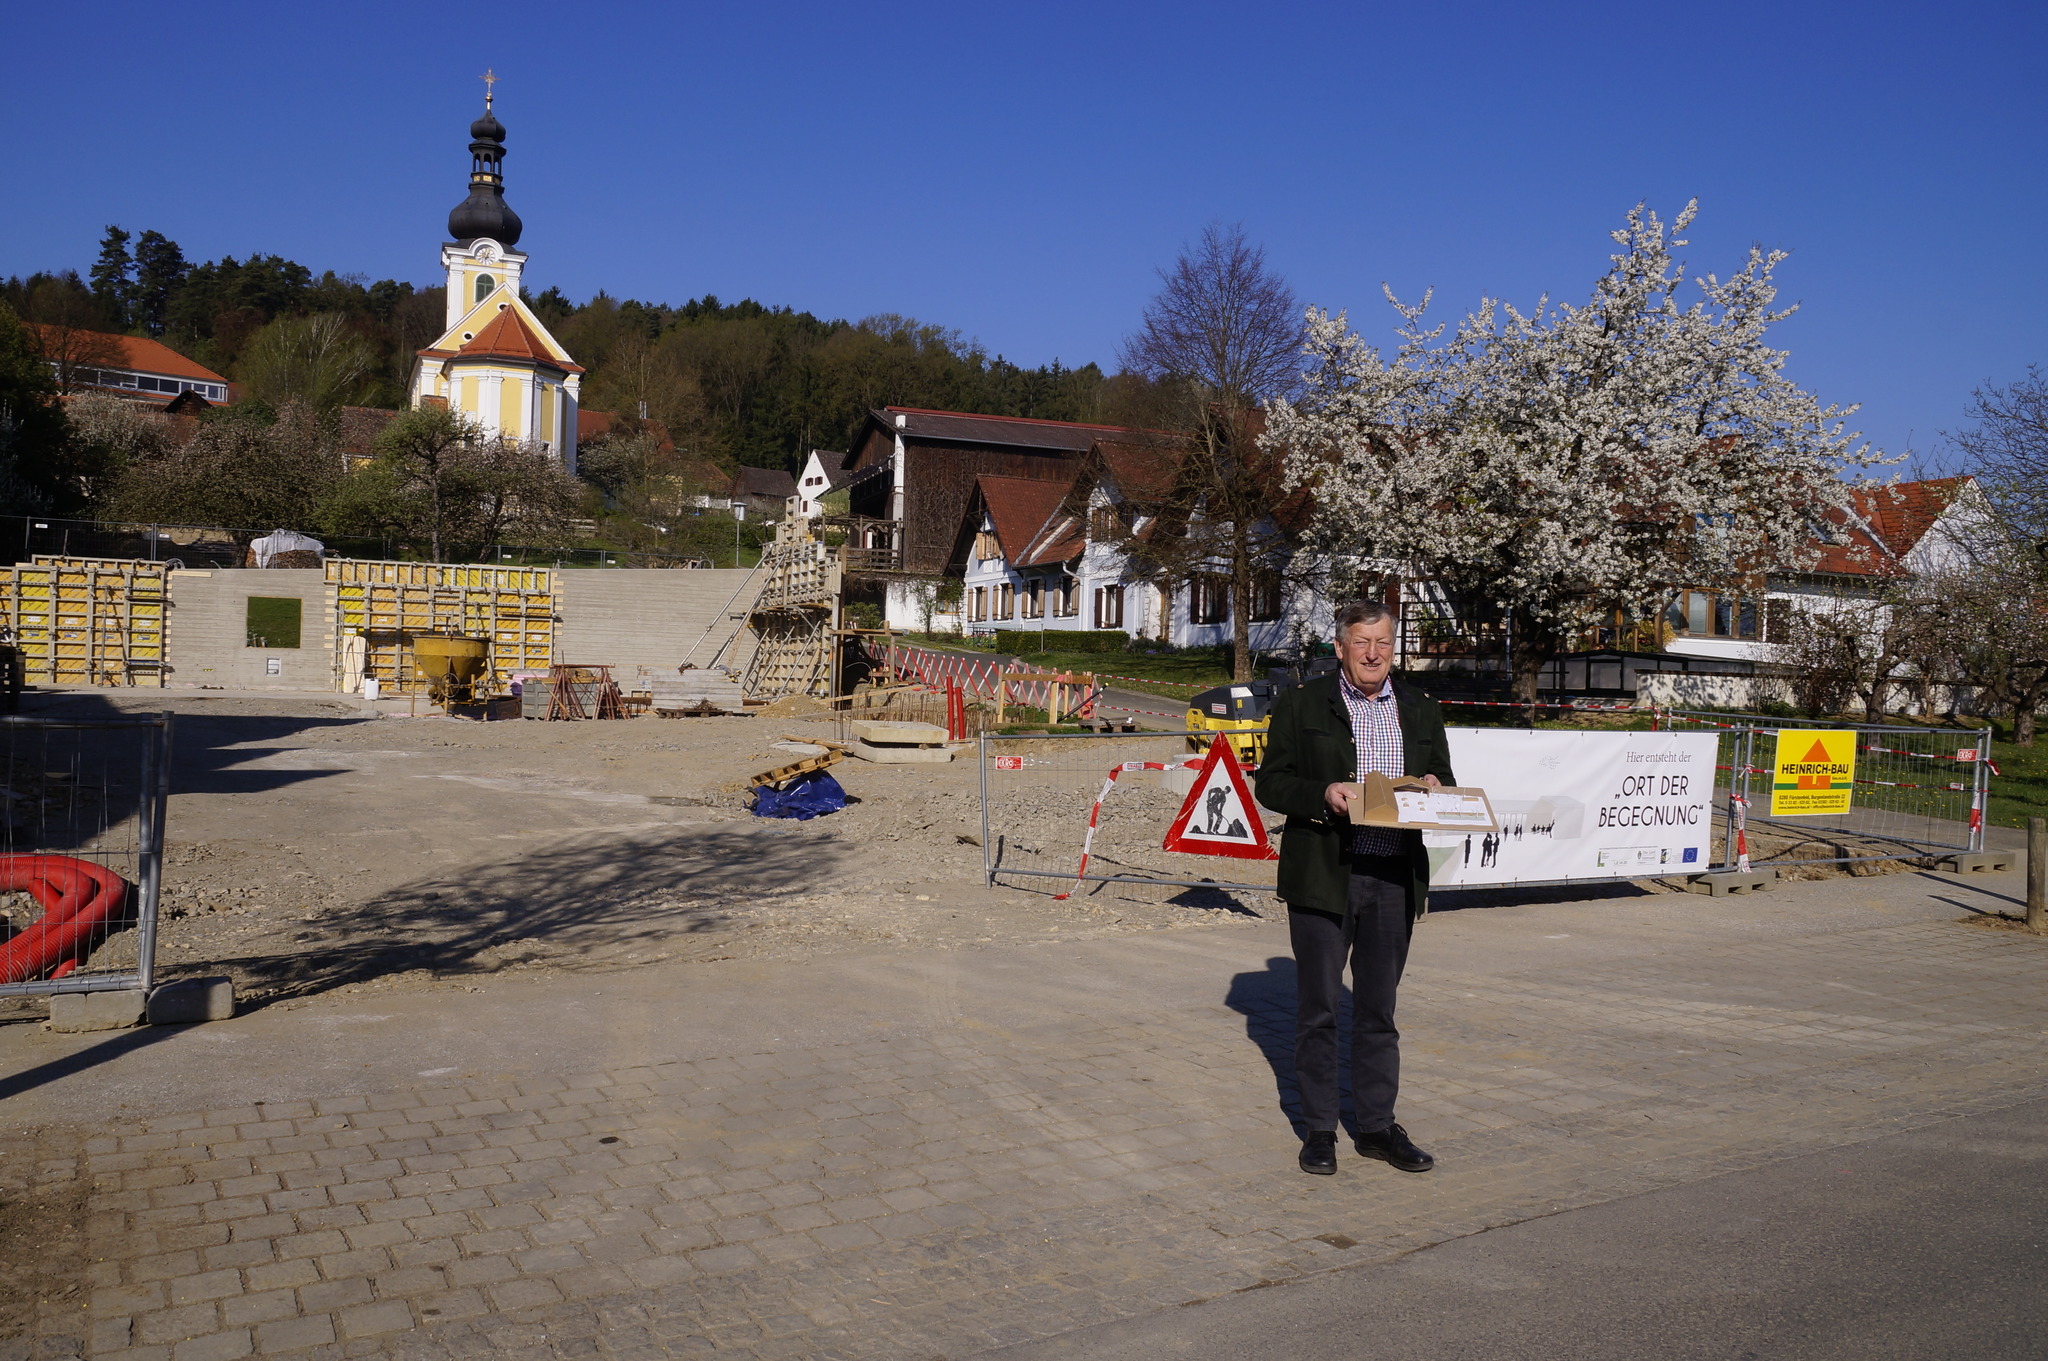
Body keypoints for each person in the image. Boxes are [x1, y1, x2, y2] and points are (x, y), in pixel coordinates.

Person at [1254, 600, 1454, 1177]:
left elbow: (1446, 778)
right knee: (1319, 1010)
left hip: (1394, 877)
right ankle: (1319, 1130)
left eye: (1384, 644)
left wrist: (1438, 787)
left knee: (1378, 1012)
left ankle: (1375, 1127)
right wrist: (1324, 795)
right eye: (1362, 643)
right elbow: (1272, 783)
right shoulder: (1302, 704)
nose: (1373, 654)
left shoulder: (1420, 709)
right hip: (1325, 876)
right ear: (1340, 647)